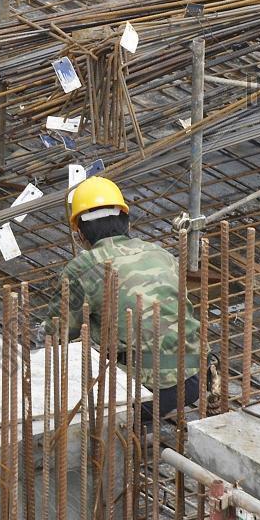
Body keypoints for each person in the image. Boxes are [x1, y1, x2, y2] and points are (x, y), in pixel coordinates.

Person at [61, 177, 203, 421]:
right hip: (194, 377)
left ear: (80, 234)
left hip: (147, 395)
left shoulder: (81, 269)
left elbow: (60, 331)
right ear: (126, 223)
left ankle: (132, 438)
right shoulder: (160, 253)